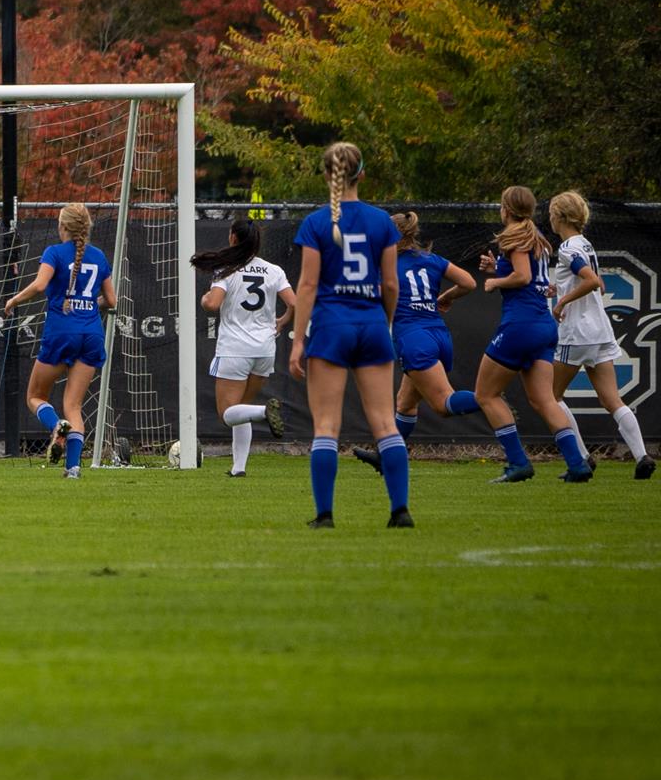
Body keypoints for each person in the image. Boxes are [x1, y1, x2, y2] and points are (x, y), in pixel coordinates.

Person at [286, 142, 413, 528]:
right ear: (362, 174)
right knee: (385, 423)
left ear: (328, 176)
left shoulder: (317, 222)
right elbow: (391, 284)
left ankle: (324, 515)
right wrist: (384, 320)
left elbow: (307, 286)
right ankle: (400, 511)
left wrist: (297, 341)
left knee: (326, 425)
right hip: (372, 323)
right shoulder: (381, 222)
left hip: (331, 326)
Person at [474, 186, 593, 483]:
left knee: (485, 394)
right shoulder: (535, 236)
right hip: (543, 325)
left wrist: (494, 282)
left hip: (520, 325)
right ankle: (577, 464)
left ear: (507, 209)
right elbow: (528, 276)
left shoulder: (514, 236)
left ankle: (517, 463)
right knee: (544, 400)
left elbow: (523, 276)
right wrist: (497, 268)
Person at [352, 211, 483, 470]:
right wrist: (446, 297)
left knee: (444, 404)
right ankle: (385, 457)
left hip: (413, 339)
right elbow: (468, 283)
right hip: (438, 335)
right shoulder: (431, 259)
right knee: (405, 403)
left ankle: (488, 399)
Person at [3, 202, 116, 480]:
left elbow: (41, 285)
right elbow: (112, 301)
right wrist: (89, 303)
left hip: (61, 334)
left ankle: (56, 426)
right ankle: (73, 469)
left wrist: (14, 300)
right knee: (74, 405)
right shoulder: (99, 256)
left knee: (35, 396)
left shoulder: (53, 252)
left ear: (63, 226)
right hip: (91, 335)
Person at [546, 190, 651, 479]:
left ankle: (582, 458)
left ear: (559, 217)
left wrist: (564, 301)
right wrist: (564, 290)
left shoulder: (567, 248)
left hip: (576, 333)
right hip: (600, 332)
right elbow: (596, 281)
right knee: (612, 400)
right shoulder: (585, 244)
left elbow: (591, 280)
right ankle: (642, 456)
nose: (550, 219)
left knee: (551, 396)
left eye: (552, 214)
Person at [192, 219, 293, 476]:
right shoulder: (273, 270)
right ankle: (238, 468)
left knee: (227, 413)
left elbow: (213, 304)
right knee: (240, 410)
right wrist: (283, 321)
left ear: (233, 238)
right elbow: (297, 302)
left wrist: (204, 298)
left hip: (235, 348)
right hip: (265, 349)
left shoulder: (226, 269)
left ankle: (264, 411)